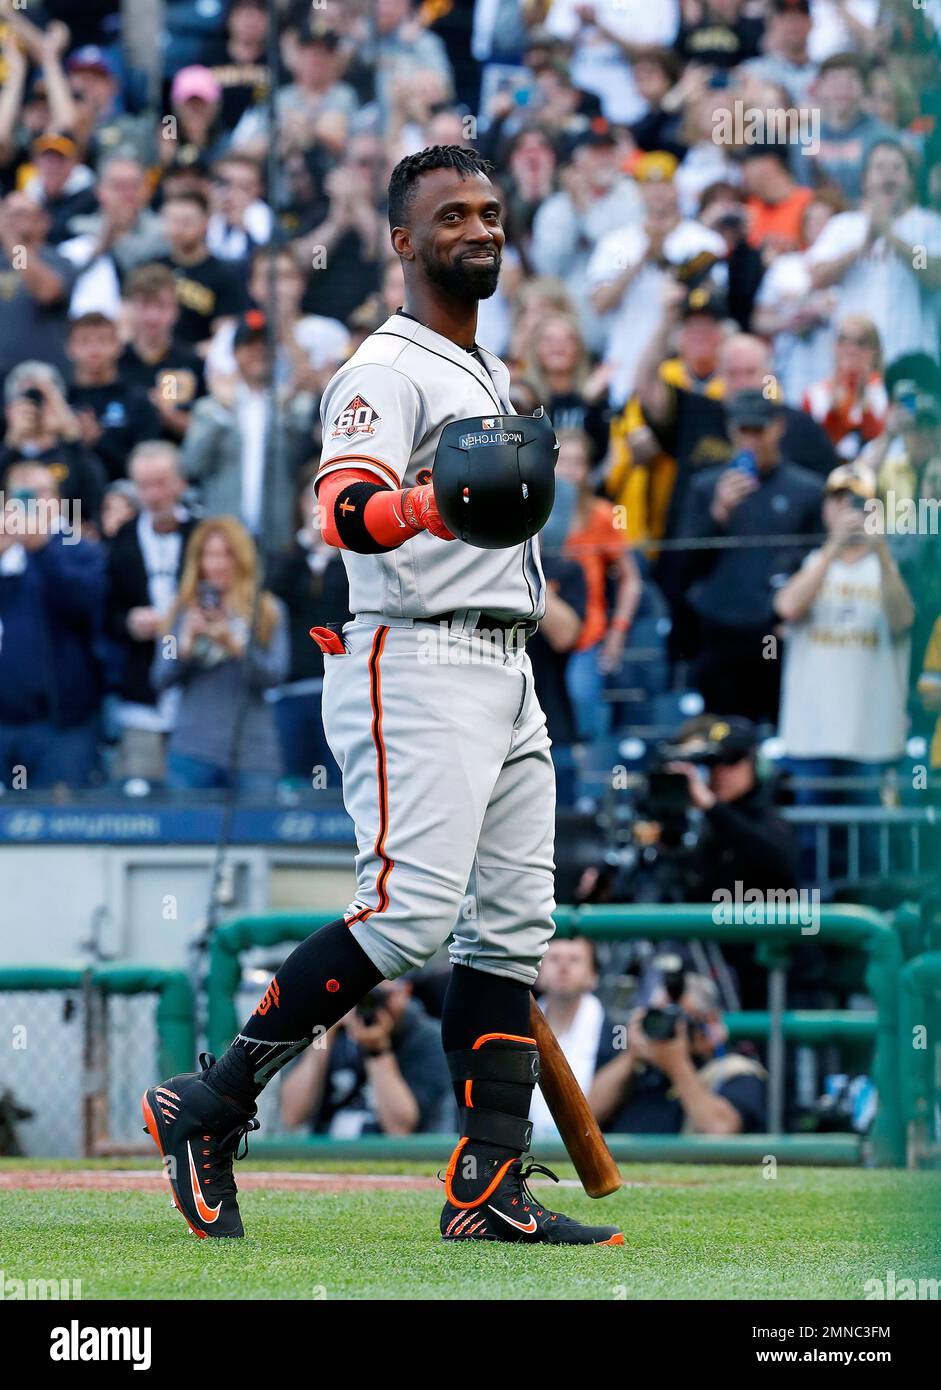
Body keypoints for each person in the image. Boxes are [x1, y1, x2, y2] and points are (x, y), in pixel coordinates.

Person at [143, 144, 623, 1246]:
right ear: (401, 241)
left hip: (507, 663)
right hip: (413, 654)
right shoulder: (382, 368)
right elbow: (347, 510)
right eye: (452, 214)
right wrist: (430, 510)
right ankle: (209, 1104)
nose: (479, 228)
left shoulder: (491, 373)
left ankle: (488, 1183)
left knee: (509, 932)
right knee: (405, 917)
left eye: (491, 211)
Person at [675, 389, 824, 722]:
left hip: (775, 630)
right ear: (731, 430)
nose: (752, 440)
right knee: (719, 733)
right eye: (745, 431)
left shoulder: (808, 491)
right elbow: (680, 568)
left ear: (779, 427)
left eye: (760, 430)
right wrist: (717, 514)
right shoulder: (705, 487)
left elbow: (817, 561)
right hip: (717, 631)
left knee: (775, 732)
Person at [775, 463, 913, 808]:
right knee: (811, 846)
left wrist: (880, 550)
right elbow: (788, 607)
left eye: (859, 503)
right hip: (811, 736)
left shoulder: (896, 565)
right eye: (839, 501)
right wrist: (832, 550)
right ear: (825, 510)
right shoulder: (804, 560)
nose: (848, 511)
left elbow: (902, 620)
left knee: (870, 849)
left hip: (873, 740)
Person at [150, 515, 289, 793]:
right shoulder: (180, 611)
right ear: (197, 560)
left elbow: (275, 675)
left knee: (258, 835)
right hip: (192, 749)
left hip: (253, 752)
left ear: (242, 559)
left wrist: (235, 644)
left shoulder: (267, 611)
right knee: (187, 836)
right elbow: (160, 678)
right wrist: (184, 645)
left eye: (227, 555)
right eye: (210, 555)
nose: (218, 564)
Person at [0, 459, 106, 789]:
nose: (31, 504)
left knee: (60, 830)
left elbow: (84, 602)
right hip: (4, 723)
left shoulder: (78, 547)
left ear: (58, 500)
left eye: (40, 493)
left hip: (61, 725)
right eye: (22, 495)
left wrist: (42, 547)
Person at [181, 309, 313, 550]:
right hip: (225, 538)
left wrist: (287, 410)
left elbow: (302, 463)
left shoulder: (292, 405)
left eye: (265, 345)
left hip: (278, 535)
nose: (258, 352)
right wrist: (223, 410)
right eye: (250, 345)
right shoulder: (210, 408)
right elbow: (191, 465)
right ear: (235, 353)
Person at [105, 442, 196, 784]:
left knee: (192, 800)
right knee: (141, 797)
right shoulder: (122, 540)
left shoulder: (203, 534)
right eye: (144, 486)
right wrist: (129, 622)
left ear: (180, 483)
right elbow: (106, 612)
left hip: (194, 694)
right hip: (140, 691)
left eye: (161, 483)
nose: (153, 494)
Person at [805, 139, 941, 366]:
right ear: (865, 179)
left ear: (909, 180)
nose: (888, 176)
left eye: (897, 168)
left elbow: (934, 276)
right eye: (879, 168)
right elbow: (817, 277)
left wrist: (891, 237)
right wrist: (860, 247)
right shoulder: (844, 225)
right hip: (854, 357)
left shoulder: (928, 224)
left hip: (911, 355)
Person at [590, 972, 767, 1133]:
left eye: (679, 1018)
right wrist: (630, 1056)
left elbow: (720, 1129)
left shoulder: (735, 1071)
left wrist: (677, 1065)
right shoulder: (637, 1069)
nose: (667, 1026)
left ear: (710, 1021)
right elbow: (584, 1117)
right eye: (658, 1015)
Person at [279, 977, 452, 1136]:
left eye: (381, 996)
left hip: (394, 1157)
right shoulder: (330, 1034)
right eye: (360, 996)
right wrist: (323, 1037)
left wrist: (377, 1050)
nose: (369, 1005)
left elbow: (400, 1128)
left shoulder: (429, 1038)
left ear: (404, 992)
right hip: (329, 1154)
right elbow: (292, 1116)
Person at [266, 466, 350, 786]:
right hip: (292, 687)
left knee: (339, 781)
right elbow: (272, 591)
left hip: (341, 686)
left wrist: (333, 550)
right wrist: (305, 541)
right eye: (311, 500)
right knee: (295, 783)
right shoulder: (288, 558)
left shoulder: (355, 558)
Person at [556, 428, 642, 742]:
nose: (568, 470)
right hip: (536, 631)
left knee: (583, 698)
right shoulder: (531, 515)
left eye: (577, 462)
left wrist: (618, 630)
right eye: (561, 460)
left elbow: (631, 578)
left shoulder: (602, 515)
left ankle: (592, 778)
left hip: (587, 631)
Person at [530, 936, 614, 1141]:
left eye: (575, 960)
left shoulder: (614, 1035)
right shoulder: (513, 1025)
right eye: (554, 958)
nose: (563, 967)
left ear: (593, 975)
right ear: (538, 972)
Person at [65, 312, 162, 481]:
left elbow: (145, 465)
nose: (94, 349)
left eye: (103, 341)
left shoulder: (138, 401)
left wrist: (97, 441)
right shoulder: (60, 399)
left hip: (126, 492)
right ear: (70, 348)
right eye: (84, 341)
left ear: (119, 347)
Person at [119, 262, 207, 442]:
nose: (152, 316)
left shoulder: (189, 362)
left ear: (176, 310)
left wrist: (165, 411)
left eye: (161, 306)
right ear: (129, 308)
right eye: (144, 305)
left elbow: (204, 434)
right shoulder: (115, 360)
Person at [0, 190, 77, 392]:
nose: (9, 221)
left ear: (42, 221)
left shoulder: (57, 260)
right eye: (7, 214)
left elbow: (45, 292)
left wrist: (10, 237)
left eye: (20, 214)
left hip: (46, 379)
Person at [159, 190, 249, 351]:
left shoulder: (225, 275)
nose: (178, 229)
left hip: (201, 362)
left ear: (205, 223)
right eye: (172, 221)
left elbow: (225, 337)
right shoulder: (151, 269)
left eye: (186, 222)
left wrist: (189, 354)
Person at [802, 316, 887, 461]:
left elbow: (885, 443)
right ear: (834, 347)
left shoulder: (885, 392)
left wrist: (866, 405)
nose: (851, 349)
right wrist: (834, 412)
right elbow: (809, 446)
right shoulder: (815, 394)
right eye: (843, 340)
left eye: (861, 343)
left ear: (875, 350)